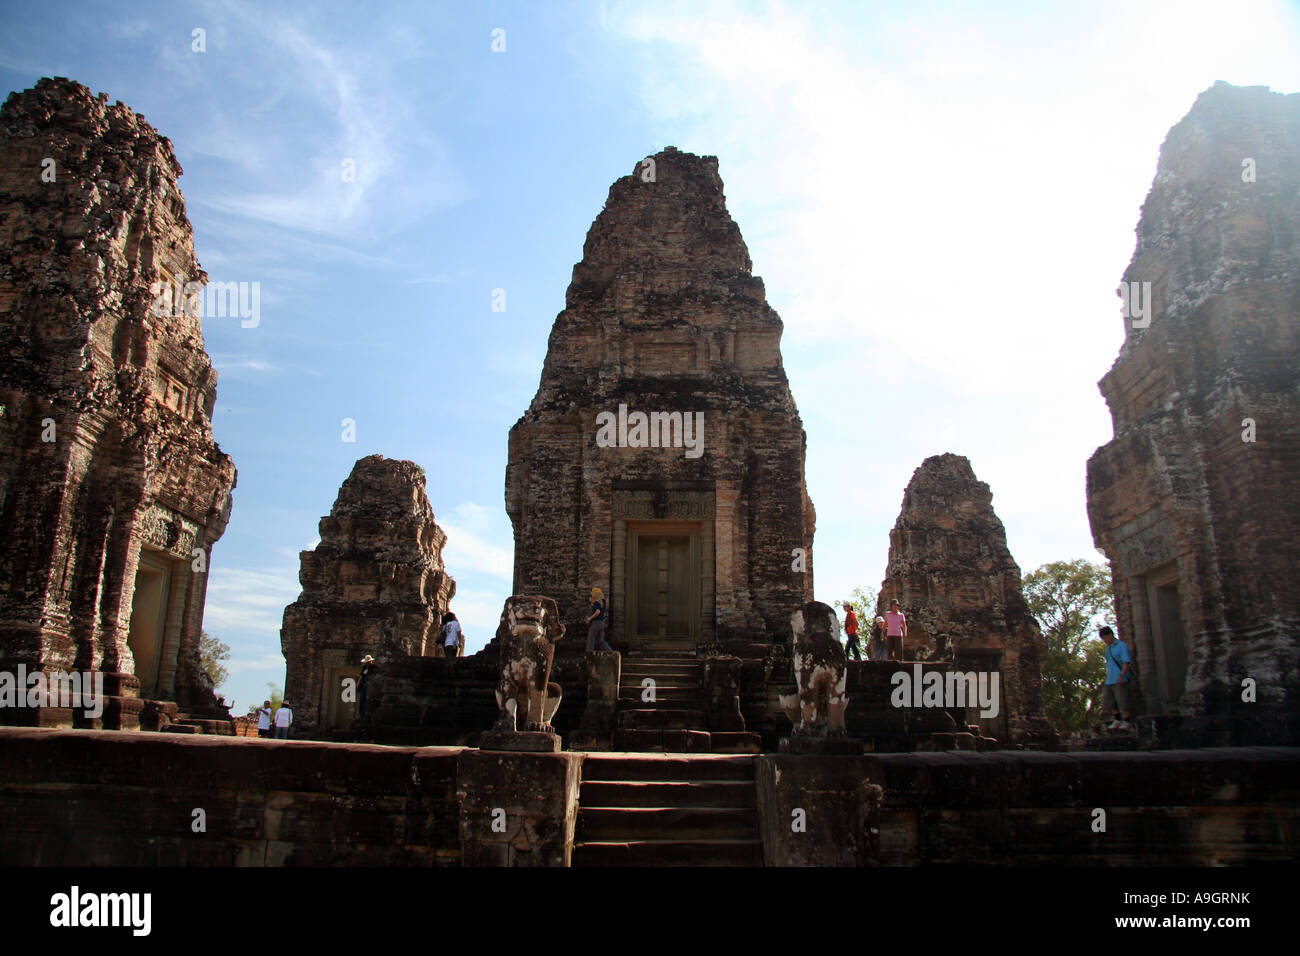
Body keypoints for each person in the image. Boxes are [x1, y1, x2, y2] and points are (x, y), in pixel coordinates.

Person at [1099, 625, 1133, 728]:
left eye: (1105, 638)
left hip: (1120, 678)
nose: (1105, 640)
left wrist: (1122, 676)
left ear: (1110, 635)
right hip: (1110, 679)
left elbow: (1126, 662)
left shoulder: (1121, 646)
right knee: (1108, 701)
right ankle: (1117, 719)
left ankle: (1127, 721)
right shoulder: (1108, 649)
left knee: (1122, 700)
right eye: (1103, 639)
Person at [585, 587, 613, 651]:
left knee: (591, 638)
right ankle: (610, 652)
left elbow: (598, 612)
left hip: (596, 623)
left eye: (592, 594)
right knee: (600, 641)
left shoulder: (596, 603)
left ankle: (589, 654)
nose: (591, 595)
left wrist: (589, 618)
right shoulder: (602, 603)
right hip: (602, 623)